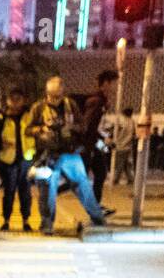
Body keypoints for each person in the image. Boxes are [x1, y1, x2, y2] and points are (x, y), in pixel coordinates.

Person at [26, 76, 106, 236]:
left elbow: (83, 126)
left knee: (83, 186)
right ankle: (47, 224)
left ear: (63, 93)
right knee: (47, 191)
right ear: (47, 93)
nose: (55, 100)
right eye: (52, 96)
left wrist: (70, 128)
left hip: (70, 153)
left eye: (58, 96)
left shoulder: (70, 105)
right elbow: (28, 129)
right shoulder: (38, 108)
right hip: (47, 155)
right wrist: (42, 129)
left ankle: (98, 217)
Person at [0, 87, 35, 232]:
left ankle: (26, 220)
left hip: (26, 158)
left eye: (19, 99)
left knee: (25, 192)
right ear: (8, 101)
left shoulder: (29, 115)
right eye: (13, 99)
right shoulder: (1, 117)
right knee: (9, 192)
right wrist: (2, 144)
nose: (16, 103)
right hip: (8, 160)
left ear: (23, 101)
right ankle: (6, 220)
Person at [81, 70, 118, 213]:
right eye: (114, 84)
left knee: (100, 172)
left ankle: (95, 207)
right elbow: (88, 127)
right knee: (80, 178)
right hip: (88, 145)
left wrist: (103, 141)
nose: (116, 87)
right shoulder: (96, 101)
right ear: (106, 84)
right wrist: (102, 142)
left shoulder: (102, 101)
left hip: (93, 144)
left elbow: (94, 128)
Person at [111, 107, 136, 185]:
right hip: (128, 145)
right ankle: (131, 179)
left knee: (119, 164)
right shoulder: (132, 122)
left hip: (120, 145)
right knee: (128, 164)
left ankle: (116, 179)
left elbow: (114, 131)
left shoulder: (121, 121)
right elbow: (134, 134)